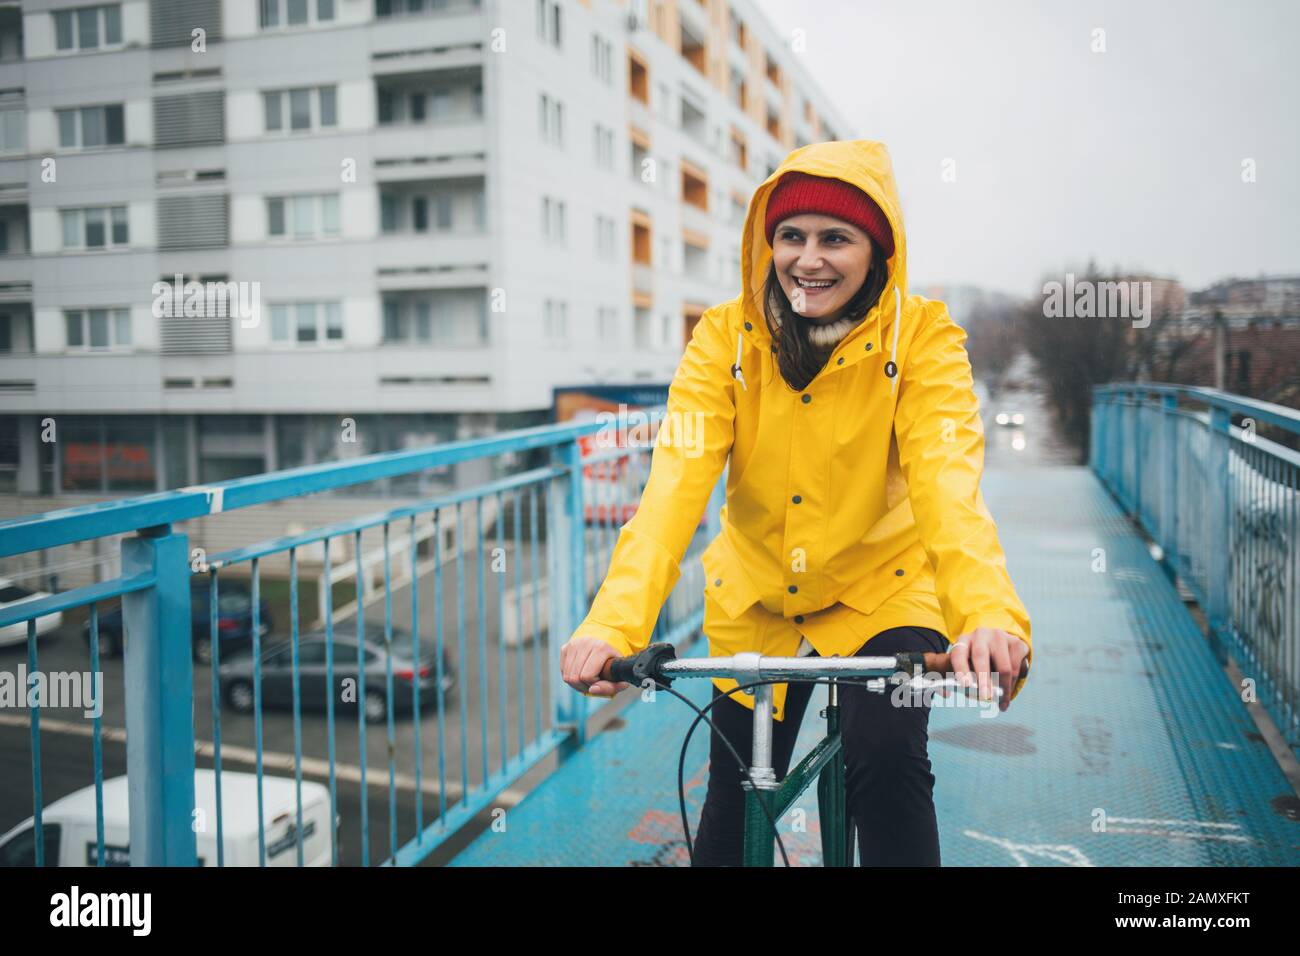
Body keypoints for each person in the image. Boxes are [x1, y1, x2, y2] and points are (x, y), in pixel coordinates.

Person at [560, 139, 1033, 866]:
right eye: (791, 236)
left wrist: (987, 616)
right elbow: (673, 488)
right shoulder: (724, 339)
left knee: (887, 761)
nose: (808, 259)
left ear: (877, 251)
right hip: (758, 596)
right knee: (736, 795)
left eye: (835, 238)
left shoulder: (923, 341)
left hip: (883, 588)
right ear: (766, 243)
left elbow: (948, 487)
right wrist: (613, 622)